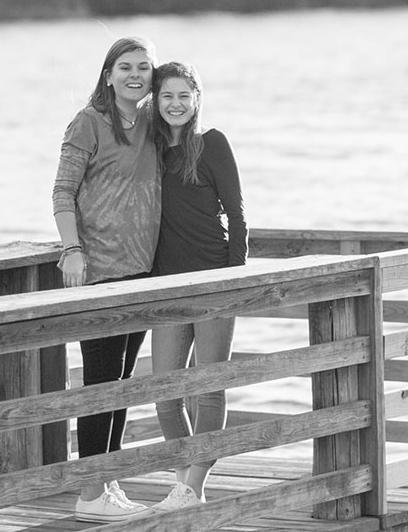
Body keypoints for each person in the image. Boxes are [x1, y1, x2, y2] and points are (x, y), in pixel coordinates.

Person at [51, 36, 161, 523]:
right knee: (100, 383)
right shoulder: (89, 122)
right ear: (108, 75)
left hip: (142, 270)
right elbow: (63, 191)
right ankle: (89, 494)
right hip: (99, 272)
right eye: (125, 67)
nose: (135, 75)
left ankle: (108, 482)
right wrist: (72, 250)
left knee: (121, 383)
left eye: (143, 67)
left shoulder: (153, 121)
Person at [146, 61, 247, 512]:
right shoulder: (148, 148)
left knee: (209, 388)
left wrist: (232, 280)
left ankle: (193, 487)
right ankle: (183, 482)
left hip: (213, 281)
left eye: (184, 96)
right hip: (166, 286)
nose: (176, 104)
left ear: (197, 99)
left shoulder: (212, 143)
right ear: (156, 101)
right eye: (167, 96)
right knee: (165, 395)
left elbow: (238, 217)